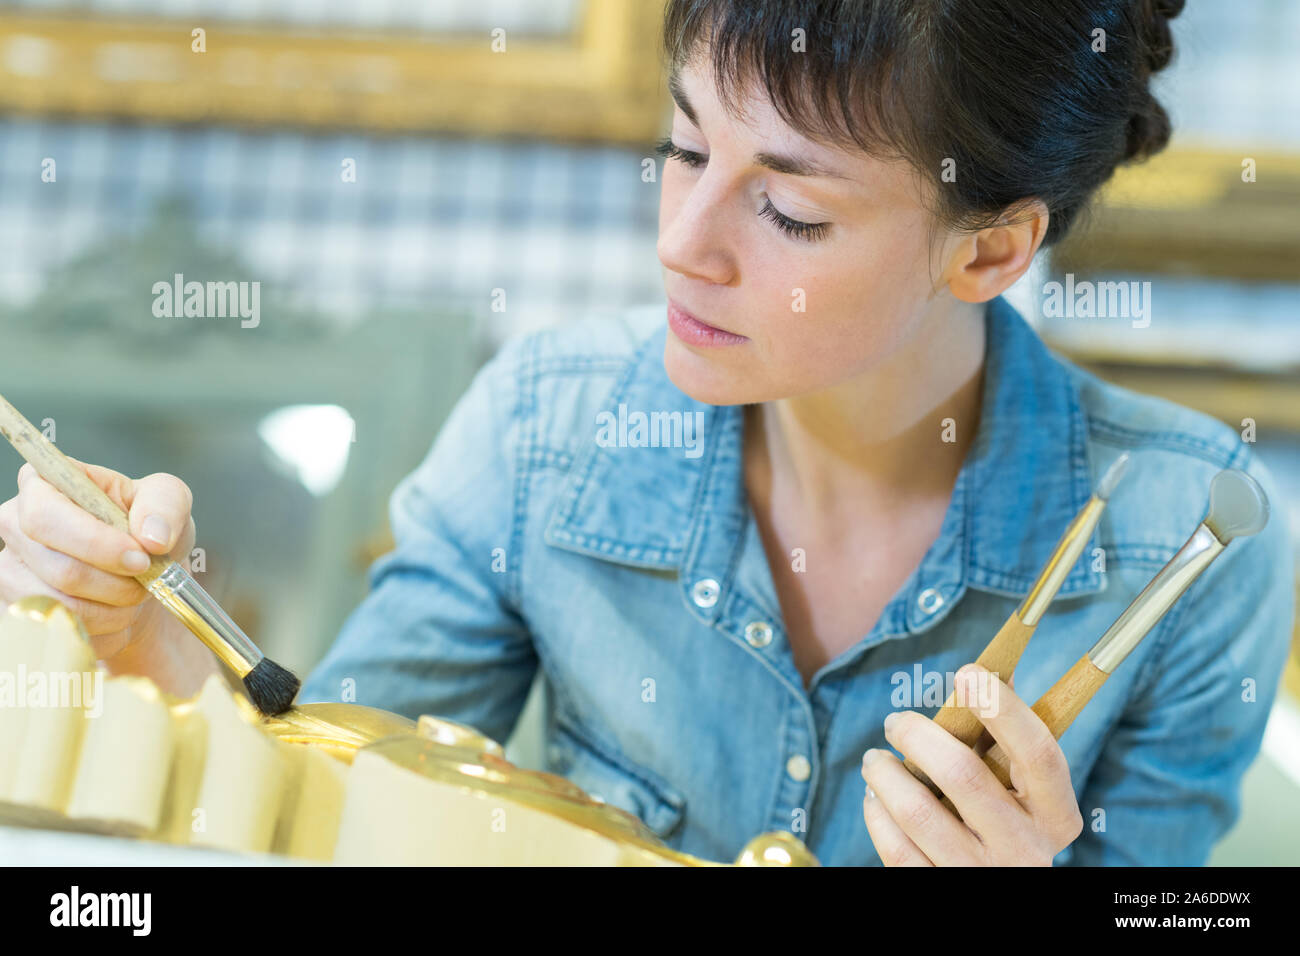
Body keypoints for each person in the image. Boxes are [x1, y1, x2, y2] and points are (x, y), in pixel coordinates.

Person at [0, 0, 1293, 866]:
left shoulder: (1190, 540)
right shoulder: (543, 429)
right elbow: (336, 797)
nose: (682, 245)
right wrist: (146, 649)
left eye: (788, 213)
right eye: (683, 151)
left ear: (994, 246)